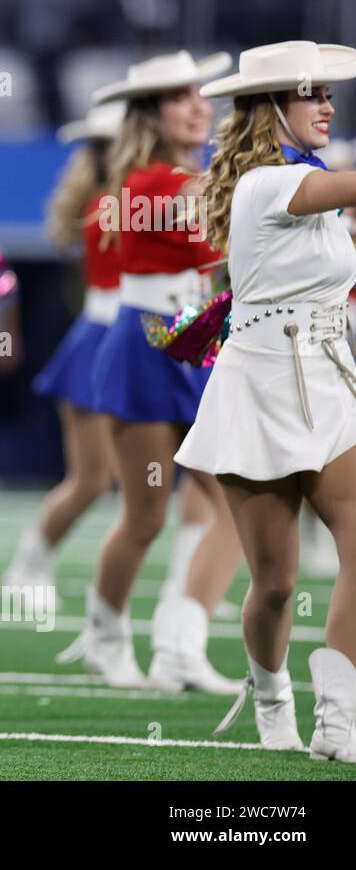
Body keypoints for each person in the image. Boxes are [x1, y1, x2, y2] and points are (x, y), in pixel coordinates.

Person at [180, 41, 356, 761]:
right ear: (273, 107)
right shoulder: (261, 184)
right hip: (259, 387)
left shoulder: (313, 182)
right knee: (277, 584)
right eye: (311, 94)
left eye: (327, 94)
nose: (328, 105)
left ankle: (340, 716)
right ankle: (272, 689)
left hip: (330, 381)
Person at [55, 51, 243, 692]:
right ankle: (106, 637)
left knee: (232, 504)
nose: (200, 107)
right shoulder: (148, 185)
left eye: (200, 95)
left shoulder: (180, 178)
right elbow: (227, 219)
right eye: (179, 98)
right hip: (145, 345)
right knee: (145, 515)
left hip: (191, 339)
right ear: (149, 115)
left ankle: (179, 642)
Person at [8, 102, 215, 607]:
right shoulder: (119, 205)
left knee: (195, 482)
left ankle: (189, 589)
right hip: (114, 340)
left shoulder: (135, 194)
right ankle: (30, 563)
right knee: (93, 484)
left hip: (153, 335)